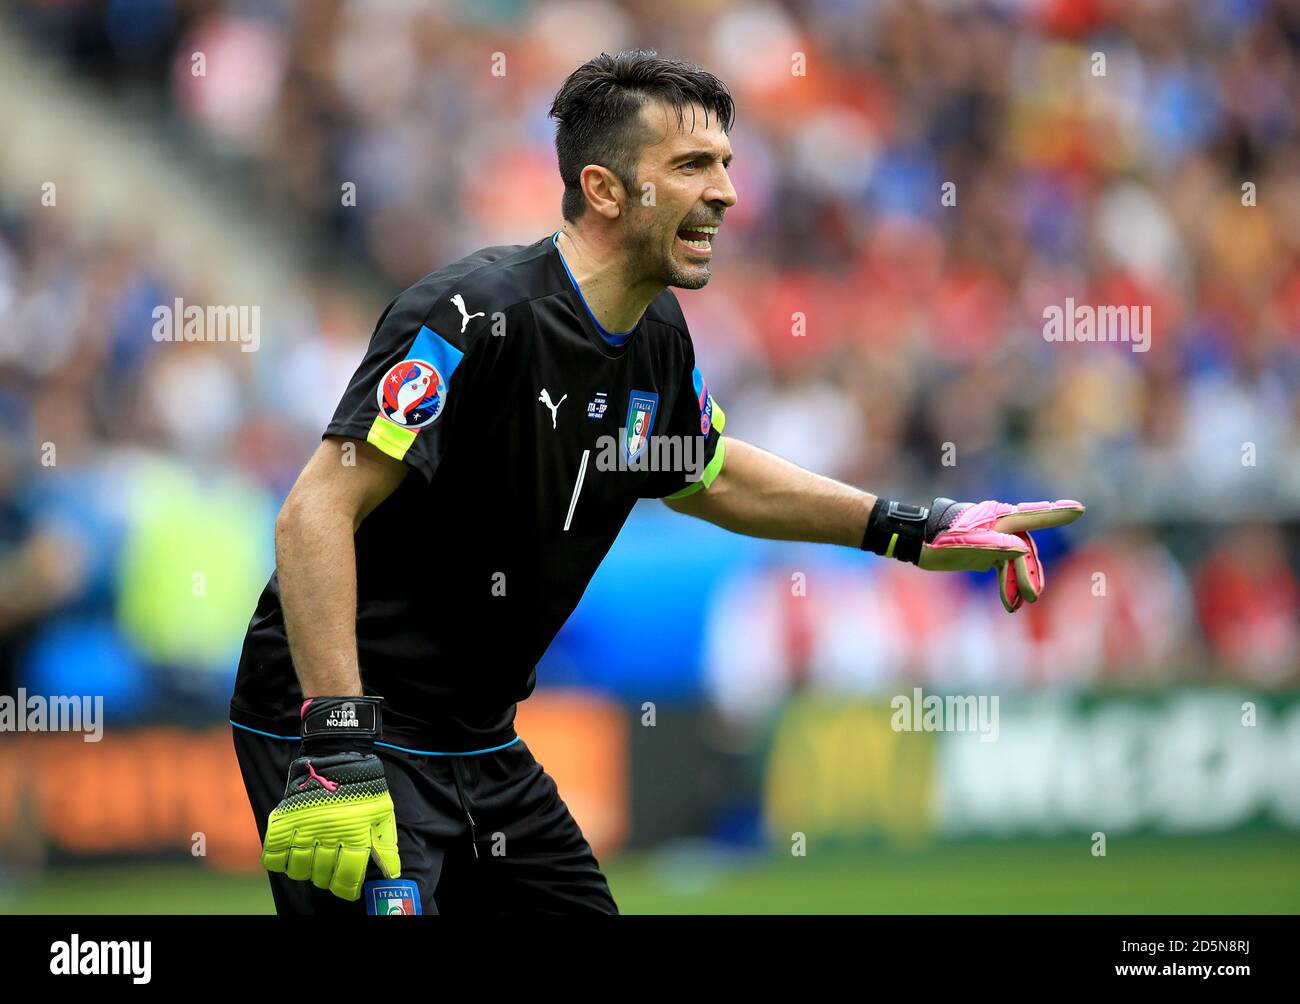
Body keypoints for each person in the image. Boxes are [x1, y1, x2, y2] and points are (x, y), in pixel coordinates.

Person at [229, 50, 1082, 916]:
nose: (726, 193)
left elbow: (705, 476)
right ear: (603, 189)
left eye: (725, 166)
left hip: (478, 739)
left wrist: (909, 527)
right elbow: (313, 511)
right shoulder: (469, 316)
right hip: (344, 731)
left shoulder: (657, 336)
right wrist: (337, 739)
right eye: (690, 167)